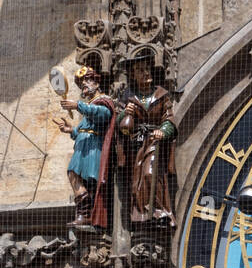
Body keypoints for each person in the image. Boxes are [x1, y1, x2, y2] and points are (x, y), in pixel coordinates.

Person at [117, 54, 177, 225]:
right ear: (133, 76)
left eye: (147, 69)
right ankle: (142, 213)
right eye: (140, 70)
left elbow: (170, 120)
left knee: (150, 173)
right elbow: (118, 124)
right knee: (137, 181)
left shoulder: (161, 95)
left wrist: (162, 131)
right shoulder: (128, 97)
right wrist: (125, 113)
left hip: (154, 142)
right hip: (135, 145)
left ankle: (158, 211)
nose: (145, 73)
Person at [57, 66, 117, 228]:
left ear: (97, 83)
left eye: (87, 80)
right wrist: (71, 130)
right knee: (75, 175)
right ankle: (85, 213)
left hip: (93, 148)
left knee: (81, 177)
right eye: (81, 83)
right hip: (83, 146)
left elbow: (103, 115)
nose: (84, 84)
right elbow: (83, 129)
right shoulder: (89, 106)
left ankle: (86, 213)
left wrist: (78, 105)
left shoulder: (103, 100)